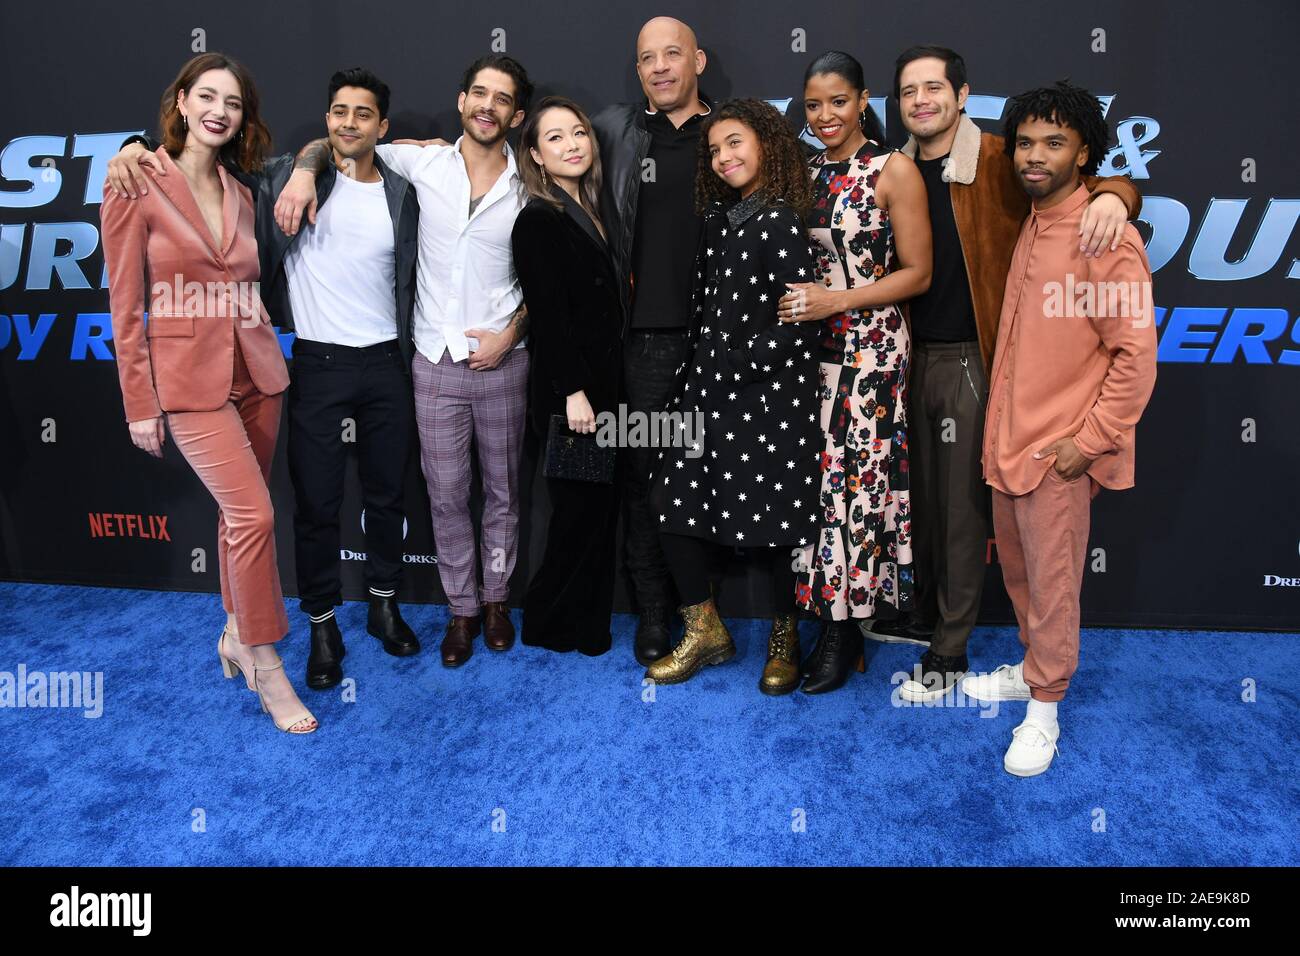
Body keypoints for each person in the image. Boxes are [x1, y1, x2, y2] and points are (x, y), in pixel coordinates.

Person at [106, 68, 423, 691]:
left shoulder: (403, 192)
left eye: (363, 114)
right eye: (338, 111)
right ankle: (321, 625)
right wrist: (130, 146)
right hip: (314, 365)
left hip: (387, 362)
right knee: (312, 505)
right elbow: (180, 158)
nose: (348, 123)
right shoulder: (274, 176)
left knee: (388, 497)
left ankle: (385, 604)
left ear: (382, 128)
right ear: (326, 118)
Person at [881, 46, 1144, 703]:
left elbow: (1134, 350)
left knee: (977, 525)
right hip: (922, 366)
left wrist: (1117, 194)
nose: (921, 100)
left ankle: (972, 663)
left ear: (963, 93)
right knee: (956, 524)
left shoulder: (1002, 161)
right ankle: (994, 658)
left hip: (981, 365)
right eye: (909, 90)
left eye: (934, 87)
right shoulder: (896, 167)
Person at [275, 54, 532, 669]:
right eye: (478, 93)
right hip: (428, 362)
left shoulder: (533, 181)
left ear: (516, 115)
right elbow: (341, 136)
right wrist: (305, 172)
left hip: (503, 361)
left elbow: (550, 278)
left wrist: (512, 331)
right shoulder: (417, 161)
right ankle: (461, 609)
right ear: (461, 99)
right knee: (444, 498)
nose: (486, 106)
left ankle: (496, 601)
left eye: (501, 99)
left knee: (501, 494)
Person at [99, 53, 316, 733]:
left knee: (236, 518)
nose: (221, 111)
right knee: (253, 516)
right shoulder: (136, 180)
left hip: (257, 373)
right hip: (189, 383)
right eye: (209, 97)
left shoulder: (243, 191)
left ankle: (231, 631)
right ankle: (263, 657)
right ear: (183, 104)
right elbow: (125, 305)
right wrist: (140, 401)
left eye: (234, 102)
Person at [959, 81, 1157, 776]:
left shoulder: (1105, 234)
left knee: (1054, 583)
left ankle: (1045, 710)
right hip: (1007, 444)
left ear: (1085, 153)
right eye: (1024, 143)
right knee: (1020, 575)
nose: (1034, 156)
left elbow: (1135, 355)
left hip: (1058, 453)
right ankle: (1029, 667)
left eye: (1054, 143)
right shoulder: (1034, 216)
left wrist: (1090, 442)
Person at [644, 98, 822, 694]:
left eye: (735, 143)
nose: (724, 157)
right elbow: (704, 311)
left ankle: (784, 637)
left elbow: (801, 320)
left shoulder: (782, 220)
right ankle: (706, 630)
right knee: (672, 500)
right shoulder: (722, 219)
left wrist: (739, 364)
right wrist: (699, 374)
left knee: (774, 520)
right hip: (704, 393)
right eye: (715, 150)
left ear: (767, 144)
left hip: (770, 396)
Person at [779, 51, 932, 695]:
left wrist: (839, 300)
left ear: (863, 99)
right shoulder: (801, 170)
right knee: (815, 489)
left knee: (856, 489)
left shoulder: (893, 169)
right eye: (813, 105)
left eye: (837, 101)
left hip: (870, 351)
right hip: (806, 353)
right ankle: (814, 613)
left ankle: (845, 631)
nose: (825, 116)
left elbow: (918, 273)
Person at [591, 16, 713, 665]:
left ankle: (715, 616)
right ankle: (655, 613)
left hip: (719, 341)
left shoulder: (728, 136)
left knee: (722, 475)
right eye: (647, 58)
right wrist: (310, 159)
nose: (660, 66)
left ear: (698, 59)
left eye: (672, 54)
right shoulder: (616, 131)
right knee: (646, 482)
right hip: (644, 347)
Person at [510, 97, 627, 655]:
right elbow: (549, 317)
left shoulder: (595, 209)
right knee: (579, 515)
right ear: (534, 154)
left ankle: (586, 625)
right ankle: (549, 622)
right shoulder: (538, 220)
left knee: (598, 512)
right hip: (572, 395)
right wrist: (574, 393)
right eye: (554, 138)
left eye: (578, 132)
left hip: (605, 387)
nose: (572, 144)